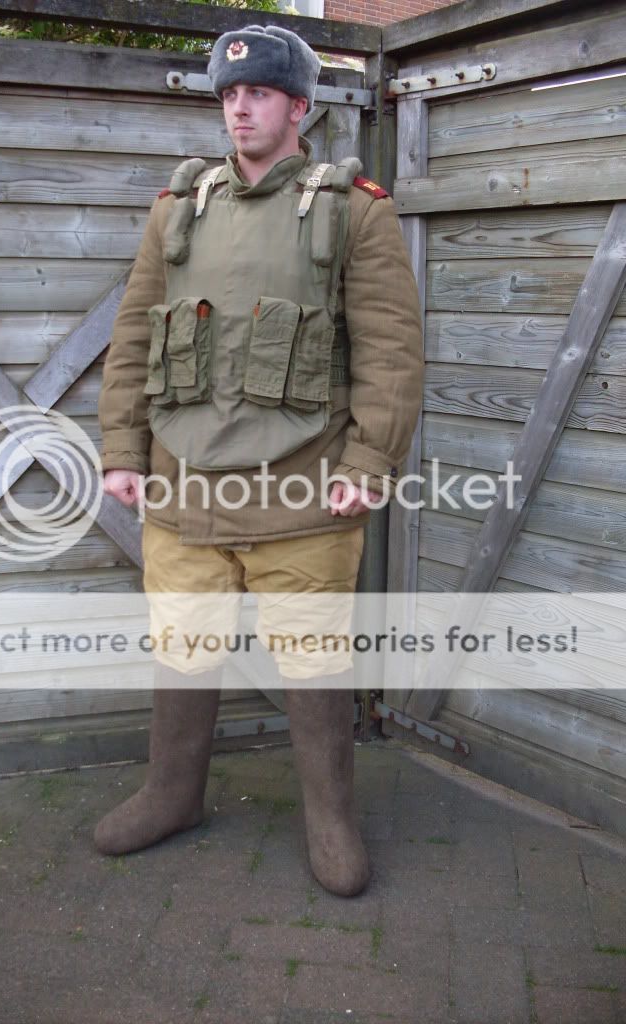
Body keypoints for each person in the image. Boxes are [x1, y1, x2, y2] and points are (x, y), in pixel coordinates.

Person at [94, 23, 423, 896]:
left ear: (300, 107)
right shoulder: (179, 206)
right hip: (184, 484)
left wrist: (369, 461)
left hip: (307, 490)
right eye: (230, 94)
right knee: (183, 645)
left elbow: (391, 351)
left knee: (314, 660)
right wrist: (123, 448)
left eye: (260, 94)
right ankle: (173, 793)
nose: (240, 107)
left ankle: (330, 818)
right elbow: (133, 334)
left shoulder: (355, 208)